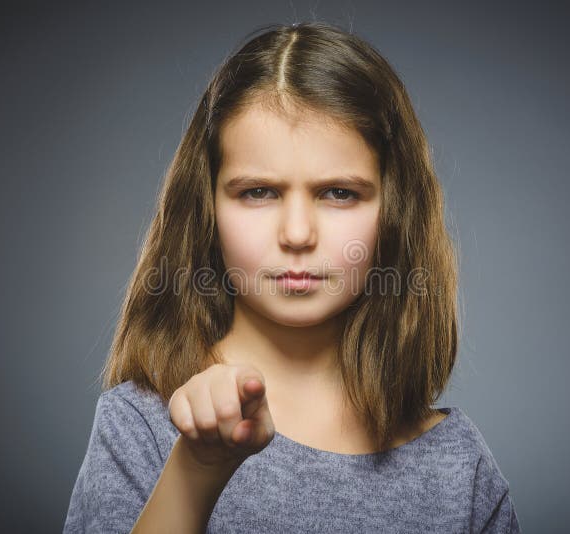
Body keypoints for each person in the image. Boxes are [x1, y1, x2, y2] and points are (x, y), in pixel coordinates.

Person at [63, 20, 520, 533]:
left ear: (394, 211)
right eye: (258, 192)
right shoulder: (140, 427)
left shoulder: (460, 470)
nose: (298, 234)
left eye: (339, 193)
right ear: (207, 208)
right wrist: (196, 471)